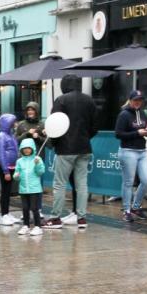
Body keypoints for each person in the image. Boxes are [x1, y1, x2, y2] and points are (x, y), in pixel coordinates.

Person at [45, 75, 96, 229]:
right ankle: (81, 218)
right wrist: (85, 137)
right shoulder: (89, 100)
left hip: (66, 148)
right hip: (84, 147)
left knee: (59, 184)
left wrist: (53, 144)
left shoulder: (61, 100)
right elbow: (94, 126)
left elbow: (55, 125)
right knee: (82, 184)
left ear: (64, 85)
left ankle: (55, 218)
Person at [115, 90, 147, 222]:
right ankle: (126, 210)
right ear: (130, 100)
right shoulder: (124, 115)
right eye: (135, 100)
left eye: (140, 100)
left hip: (142, 151)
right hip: (128, 151)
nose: (138, 102)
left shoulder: (142, 113)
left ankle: (136, 207)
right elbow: (118, 134)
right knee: (128, 182)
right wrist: (138, 133)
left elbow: (144, 128)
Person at [14, 137, 45, 235]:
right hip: (23, 190)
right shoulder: (19, 161)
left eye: (29, 148)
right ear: (21, 149)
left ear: (32, 148)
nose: (26, 150)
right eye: (24, 148)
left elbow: (40, 172)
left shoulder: (37, 159)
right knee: (25, 208)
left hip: (34, 189)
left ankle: (37, 227)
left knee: (34, 208)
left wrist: (37, 164)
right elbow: (16, 174)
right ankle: (26, 226)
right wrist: (16, 176)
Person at [0, 113, 20, 226]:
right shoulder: (2, 136)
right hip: (5, 167)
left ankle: (7, 213)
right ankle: (3, 215)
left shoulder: (11, 135)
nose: (15, 124)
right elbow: (1, 154)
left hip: (12, 166)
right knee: (5, 192)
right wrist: (5, 171)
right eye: (13, 122)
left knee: (8, 191)